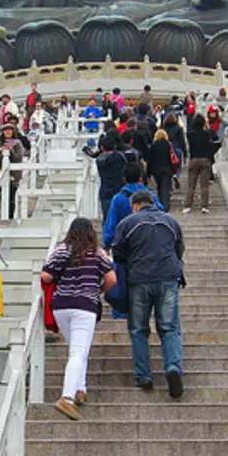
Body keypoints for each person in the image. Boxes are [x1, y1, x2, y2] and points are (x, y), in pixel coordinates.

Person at [111, 189, 185, 397]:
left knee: (138, 329)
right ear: (152, 202)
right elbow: (179, 250)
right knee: (170, 327)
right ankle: (173, 367)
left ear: (135, 205)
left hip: (139, 280)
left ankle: (144, 375)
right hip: (168, 278)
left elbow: (117, 252)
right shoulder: (171, 222)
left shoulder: (127, 223)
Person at [41, 217, 117, 420]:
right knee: (78, 351)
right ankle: (67, 398)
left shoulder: (60, 251)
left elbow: (46, 276)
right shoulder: (97, 253)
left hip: (61, 306)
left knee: (77, 349)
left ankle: (81, 389)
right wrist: (98, 290)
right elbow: (112, 279)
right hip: (85, 306)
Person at [103, 162, 160, 248]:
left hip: (127, 246)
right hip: (149, 245)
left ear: (124, 179)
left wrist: (107, 245)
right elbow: (160, 212)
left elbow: (111, 226)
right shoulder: (151, 197)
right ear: (140, 179)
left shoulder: (118, 199)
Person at [182, 113, 219, 214]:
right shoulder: (207, 133)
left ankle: (187, 206)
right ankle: (204, 206)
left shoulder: (189, 133)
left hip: (194, 159)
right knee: (204, 185)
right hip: (205, 159)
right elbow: (217, 140)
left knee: (191, 185)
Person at [0, 121, 25, 219]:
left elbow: (18, 158)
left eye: (9, 130)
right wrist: (1, 152)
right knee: (3, 196)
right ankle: (4, 215)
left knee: (11, 197)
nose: (7, 132)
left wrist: (11, 151)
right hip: (0, 173)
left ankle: (10, 216)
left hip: (14, 174)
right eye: (5, 130)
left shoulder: (17, 144)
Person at [96, 133, 129, 218]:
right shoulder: (120, 157)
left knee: (107, 218)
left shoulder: (99, 160)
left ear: (102, 148)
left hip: (105, 191)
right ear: (115, 146)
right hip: (120, 190)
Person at [147, 128, 176, 211]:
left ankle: (160, 204)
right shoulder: (168, 144)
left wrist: (149, 173)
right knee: (165, 187)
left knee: (159, 186)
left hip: (156, 170)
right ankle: (165, 206)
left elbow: (150, 159)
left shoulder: (153, 145)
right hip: (167, 169)